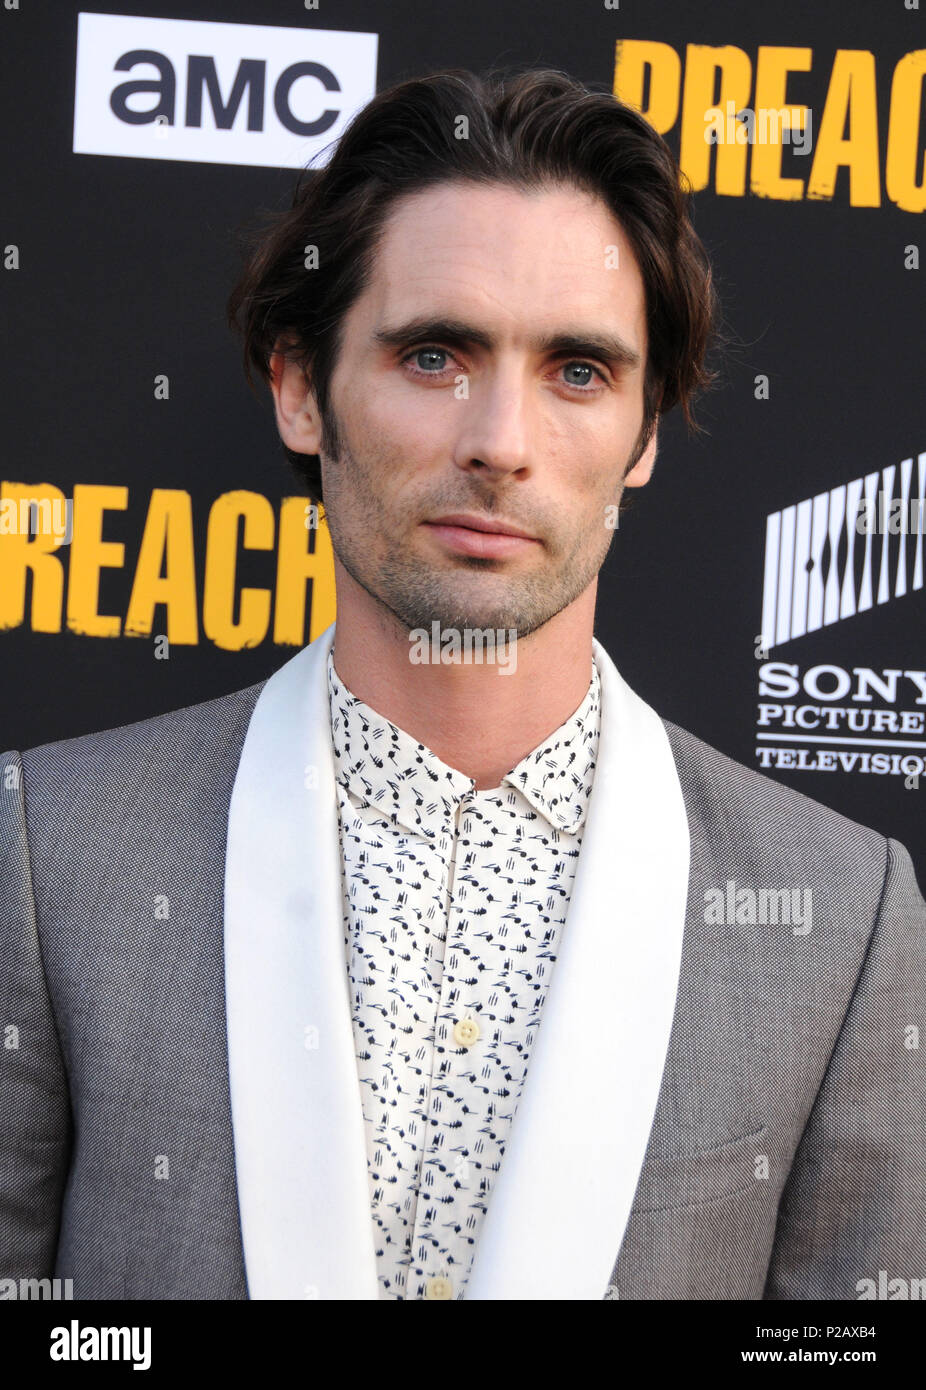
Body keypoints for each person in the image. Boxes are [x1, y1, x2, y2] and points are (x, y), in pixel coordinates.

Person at [1, 67, 923, 1302]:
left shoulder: (840, 916)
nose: (499, 439)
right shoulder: (50, 854)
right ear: (299, 388)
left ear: (646, 431)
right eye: (435, 353)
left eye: (578, 370)